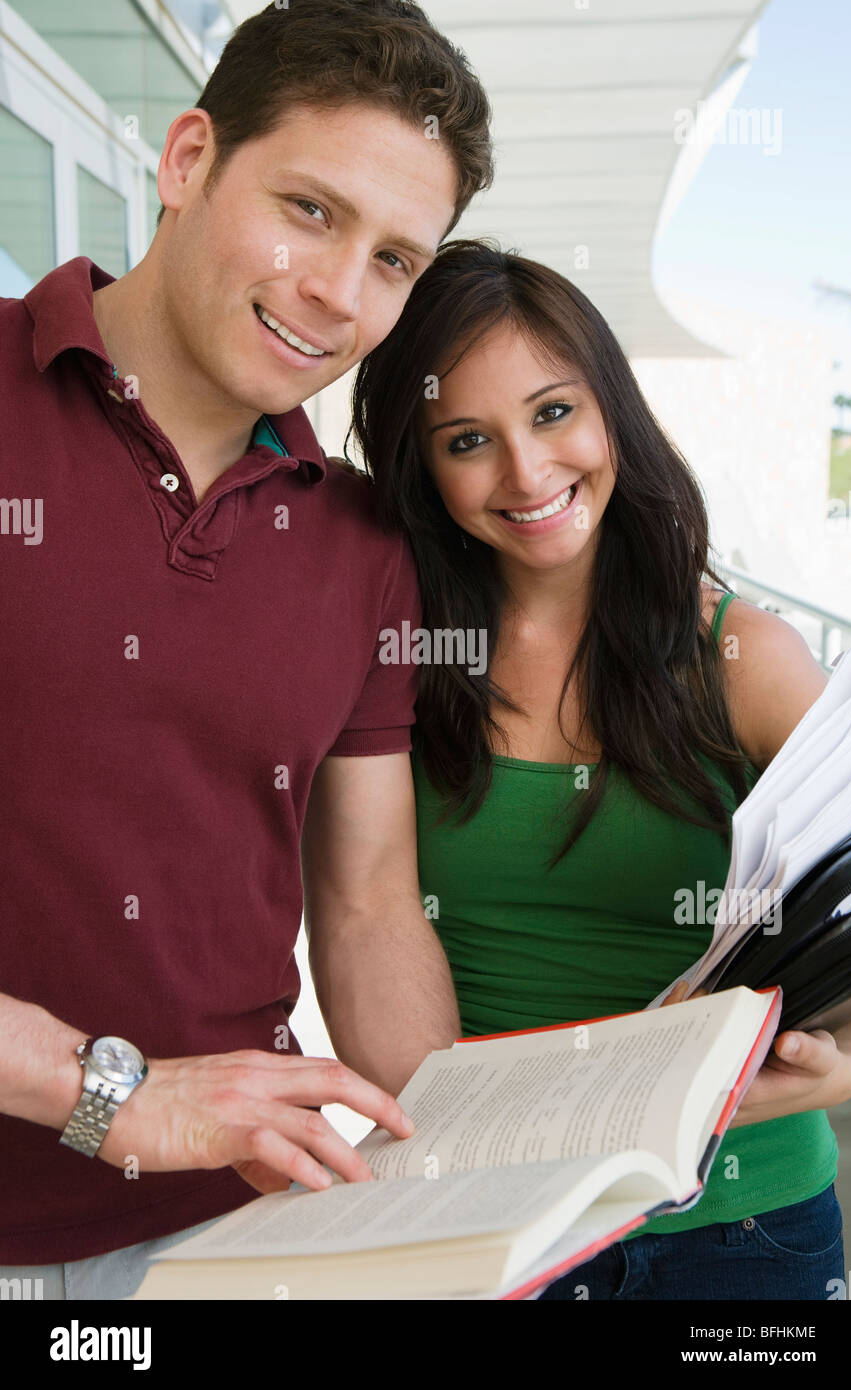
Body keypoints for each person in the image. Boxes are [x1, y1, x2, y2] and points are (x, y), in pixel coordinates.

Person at [0, 1, 494, 1299]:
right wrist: (106, 1094)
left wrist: (451, 1168)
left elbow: (369, 900)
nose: (337, 291)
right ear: (185, 160)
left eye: (395, 258)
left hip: (224, 1229)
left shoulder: (366, 545)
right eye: (310, 209)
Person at [349, 238, 851, 1299]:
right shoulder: (388, 664)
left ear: (611, 411)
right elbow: (358, 913)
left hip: (742, 1227)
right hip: (490, 1211)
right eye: (465, 440)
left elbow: (850, 895)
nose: (527, 474)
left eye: (551, 413)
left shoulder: (743, 656)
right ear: (418, 462)